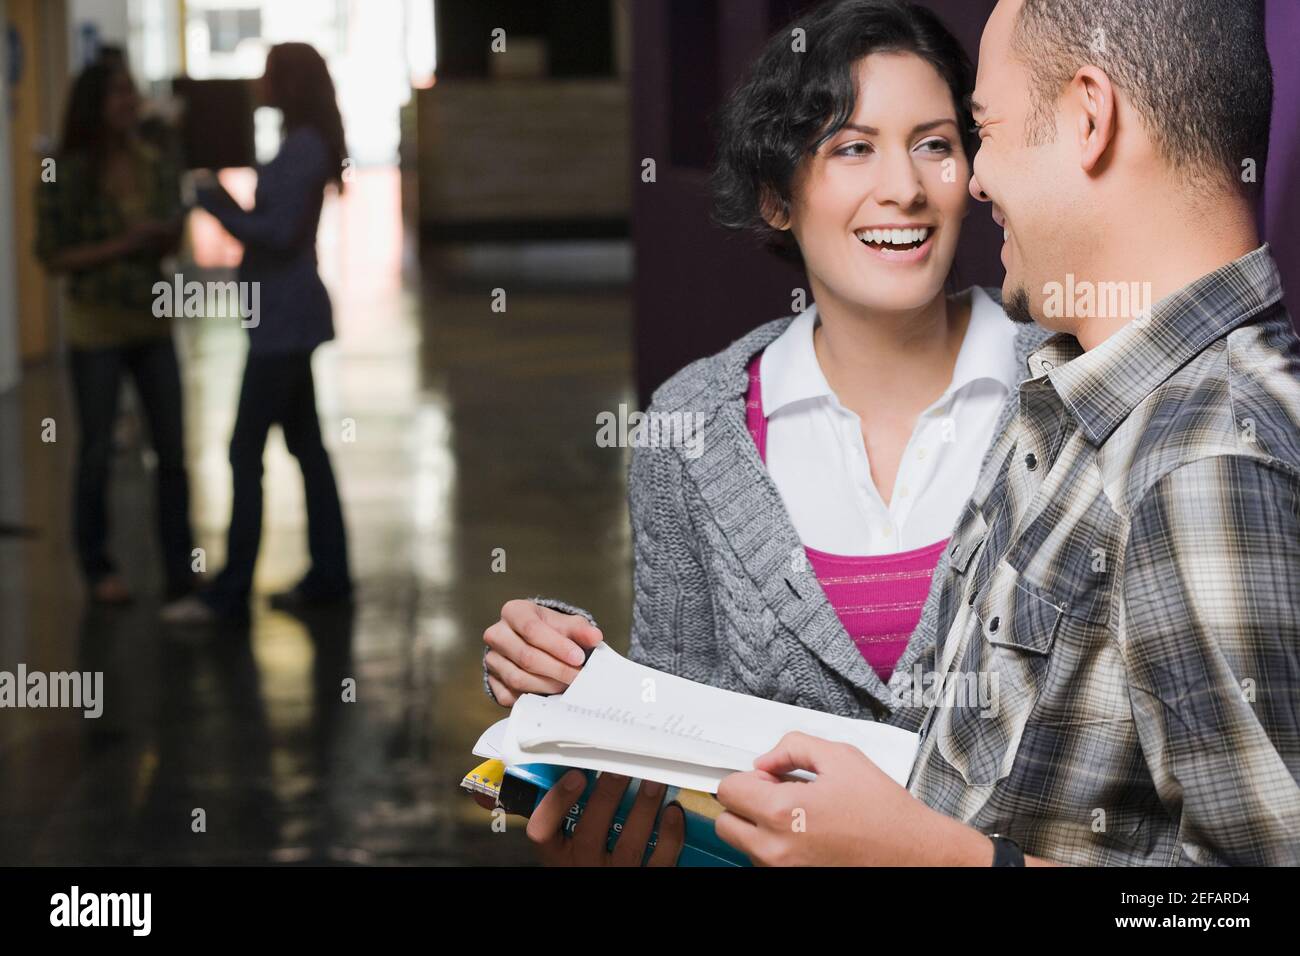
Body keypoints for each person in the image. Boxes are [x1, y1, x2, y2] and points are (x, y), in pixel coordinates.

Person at [712, 0, 1300, 867]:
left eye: (982, 131)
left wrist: (936, 863)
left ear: (1088, 118)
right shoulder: (1075, 386)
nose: (974, 181)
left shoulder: (1205, 459)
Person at [478, 0, 1052, 865]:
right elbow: (675, 725)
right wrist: (568, 677)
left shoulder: (1071, 386)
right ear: (777, 198)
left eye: (935, 143)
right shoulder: (692, 430)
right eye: (852, 147)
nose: (904, 185)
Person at [162, 42, 352, 624]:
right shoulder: (301, 143)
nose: (258, 83)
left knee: (245, 451)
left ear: (289, 83)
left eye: (269, 73)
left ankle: (230, 593)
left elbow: (276, 232)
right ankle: (328, 577)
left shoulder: (303, 146)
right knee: (305, 450)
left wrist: (214, 203)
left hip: (283, 325)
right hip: (284, 318)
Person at [36, 61, 195, 605]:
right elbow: (52, 255)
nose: (130, 101)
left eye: (132, 91)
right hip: (96, 327)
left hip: (152, 322)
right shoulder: (64, 168)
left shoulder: (151, 159)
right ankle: (98, 566)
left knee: (171, 452)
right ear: (94, 103)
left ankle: (181, 570)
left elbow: (169, 244)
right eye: (119, 93)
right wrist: (124, 245)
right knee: (97, 450)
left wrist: (166, 234)